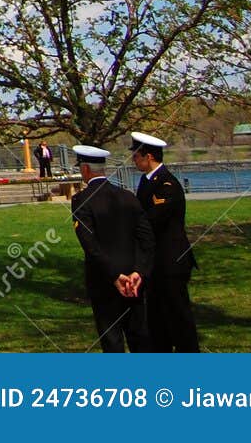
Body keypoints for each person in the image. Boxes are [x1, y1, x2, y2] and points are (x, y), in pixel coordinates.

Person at [70, 144, 153, 352]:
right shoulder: (128, 197)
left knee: (112, 339)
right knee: (139, 336)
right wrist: (138, 272)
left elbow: (91, 245)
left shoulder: (82, 201)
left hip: (104, 280)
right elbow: (147, 239)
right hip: (133, 279)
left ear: (85, 170)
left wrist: (114, 275)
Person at [130, 131, 199, 352]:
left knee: (178, 315)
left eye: (137, 155)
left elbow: (151, 220)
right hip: (154, 262)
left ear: (148, 156)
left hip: (171, 261)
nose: (134, 160)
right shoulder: (146, 181)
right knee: (157, 317)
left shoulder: (167, 184)